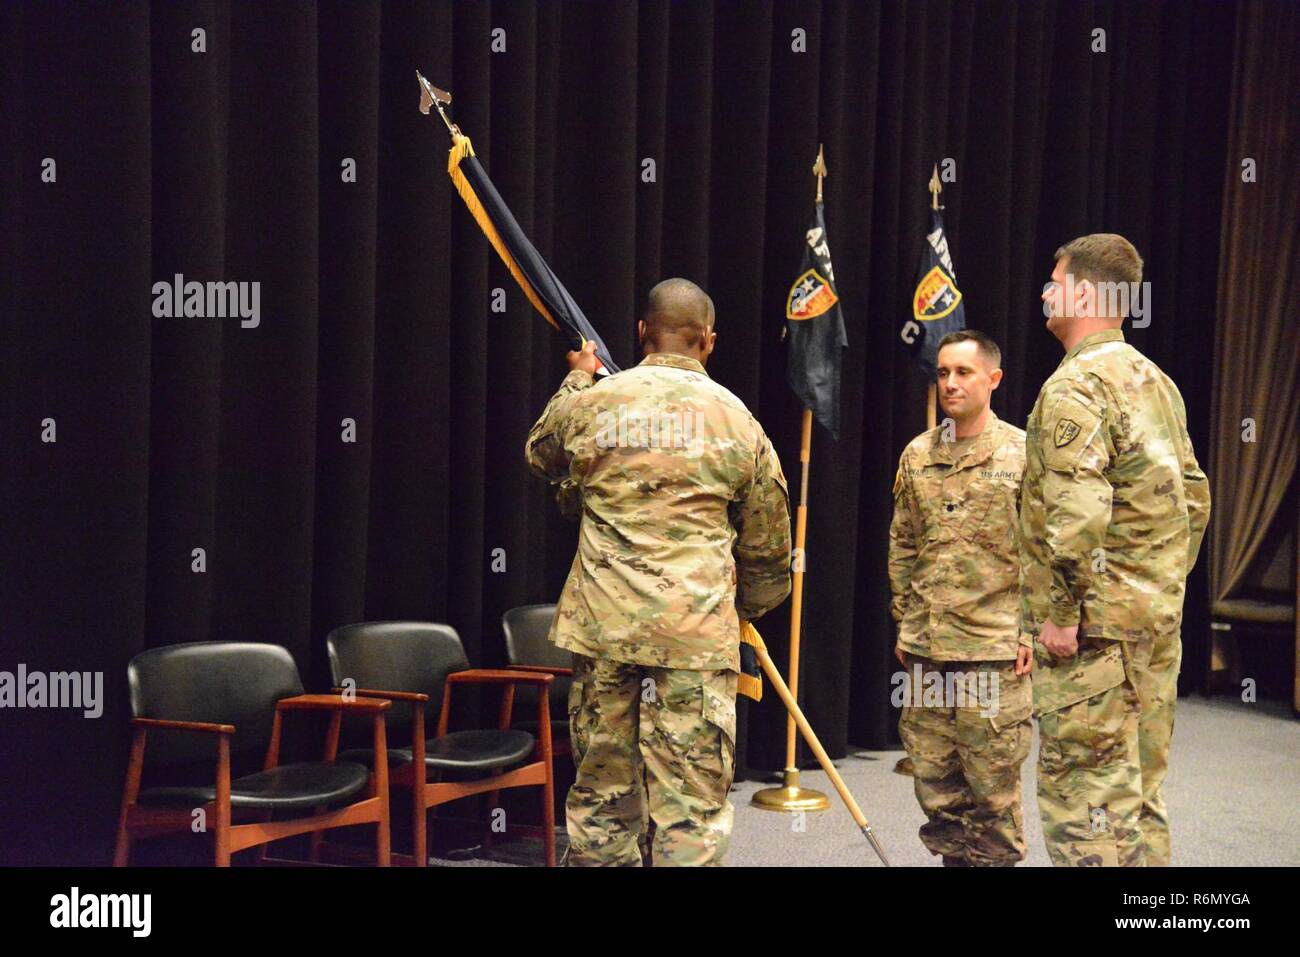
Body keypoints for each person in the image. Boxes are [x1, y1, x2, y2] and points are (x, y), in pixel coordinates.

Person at [525, 277, 792, 866]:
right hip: (695, 639)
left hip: (606, 632)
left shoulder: (595, 403)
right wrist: (735, 609)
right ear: (709, 341)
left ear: (642, 332)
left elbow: (541, 454)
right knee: (690, 811)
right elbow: (770, 550)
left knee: (600, 803)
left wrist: (578, 376)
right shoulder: (738, 421)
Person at [1022, 234, 1210, 867]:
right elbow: (1195, 496)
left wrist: (1064, 613)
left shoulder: (1076, 387)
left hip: (1095, 638)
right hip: (1152, 626)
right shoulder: (1157, 382)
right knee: (1140, 794)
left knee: (1090, 811)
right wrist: (1156, 583)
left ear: (1083, 291)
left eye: (1055, 281)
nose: (1045, 292)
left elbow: (1077, 516)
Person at [889, 330, 1033, 867]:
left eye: (963, 372)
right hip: (928, 652)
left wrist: (1031, 632)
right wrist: (905, 621)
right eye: (944, 372)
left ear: (993, 379)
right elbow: (903, 543)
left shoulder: (1022, 453)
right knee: (938, 793)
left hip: (993, 653)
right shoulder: (918, 455)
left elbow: (1046, 549)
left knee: (992, 797)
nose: (950, 383)